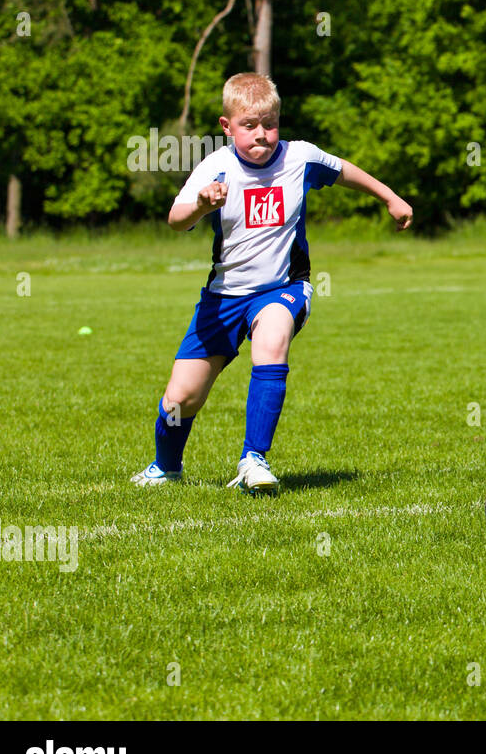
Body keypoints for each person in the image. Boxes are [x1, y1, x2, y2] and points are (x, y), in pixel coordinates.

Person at [131, 73, 413, 494]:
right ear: (227, 127)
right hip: (224, 297)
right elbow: (175, 219)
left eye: (270, 123)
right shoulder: (216, 167)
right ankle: (165, 468)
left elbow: (345, 171)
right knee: (180, 400)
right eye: (249, 125)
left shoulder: (300, 158)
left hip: (282, 287)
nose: (261, 135)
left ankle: (253, 460)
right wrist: (201, 205)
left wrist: (390, 197)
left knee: (273, 336)